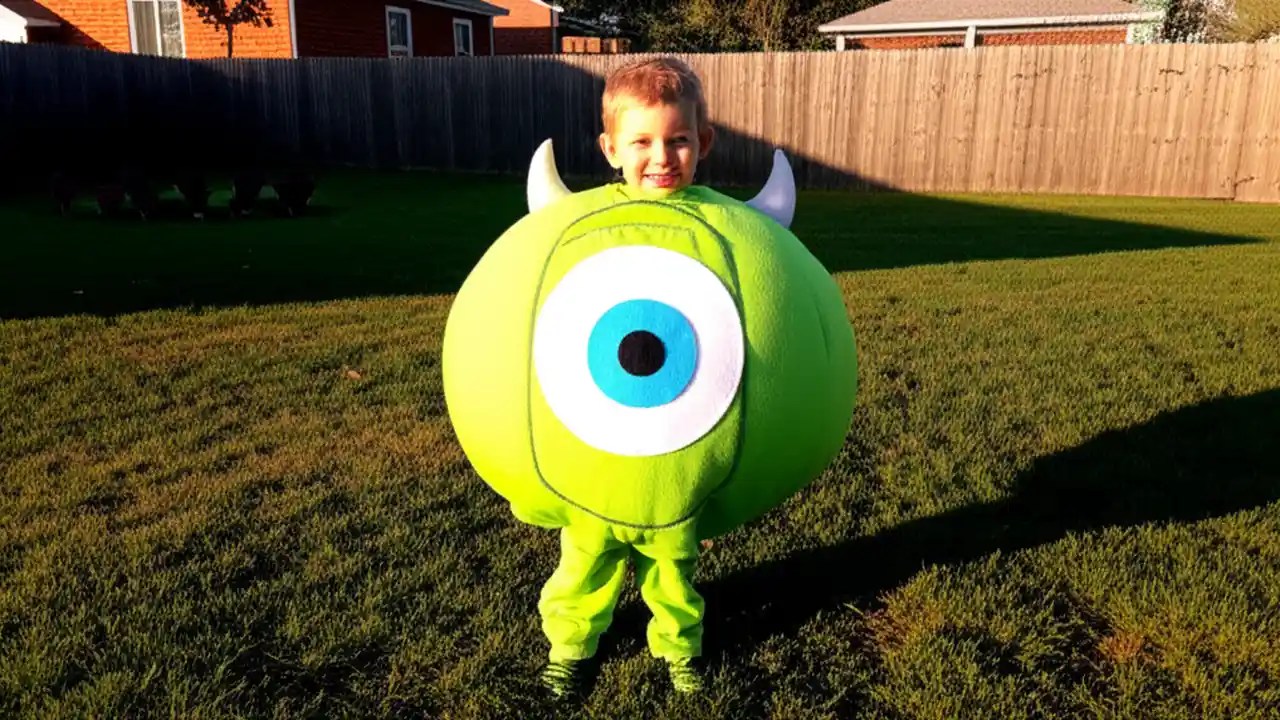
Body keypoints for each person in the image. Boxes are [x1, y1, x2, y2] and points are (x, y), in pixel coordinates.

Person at [535, 57, 717, 698]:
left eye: (678, 140)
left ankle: (680, 649)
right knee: (584, 562)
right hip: (598, 456)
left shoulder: (723, 226)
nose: (661, 157)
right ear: (610, 148)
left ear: (704, 142)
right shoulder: (584, 225)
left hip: (676, 452)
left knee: (673, 568)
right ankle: (571, 647)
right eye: (640, 142)